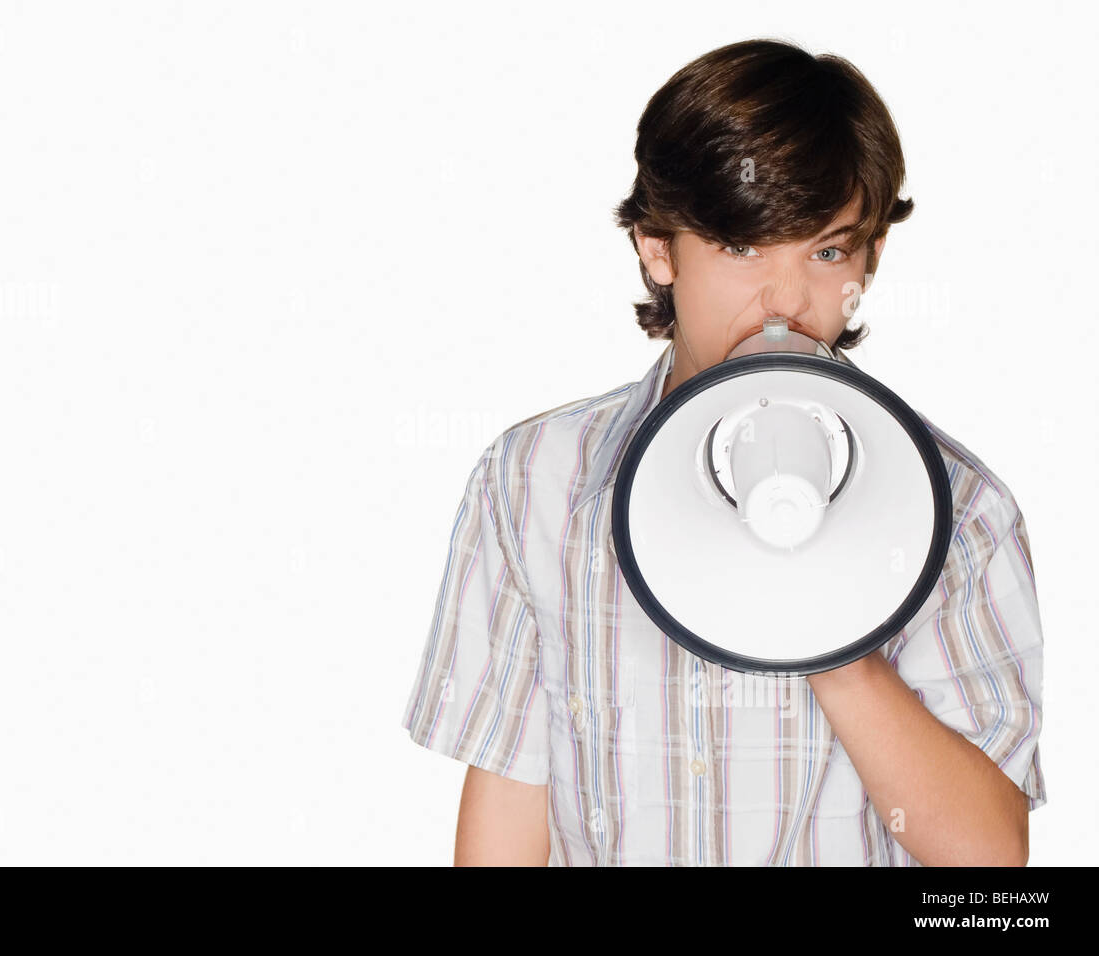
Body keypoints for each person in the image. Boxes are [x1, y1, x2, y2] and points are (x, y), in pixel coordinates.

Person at [399, 37, 1045, 866]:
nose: (786, 301)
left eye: (827, 250)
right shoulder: (532, 485)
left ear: (871, 257)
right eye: (742, 249)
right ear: (657, 248)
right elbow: (509, 823)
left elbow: (987, 864)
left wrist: (833, 632)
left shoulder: (960, 510)